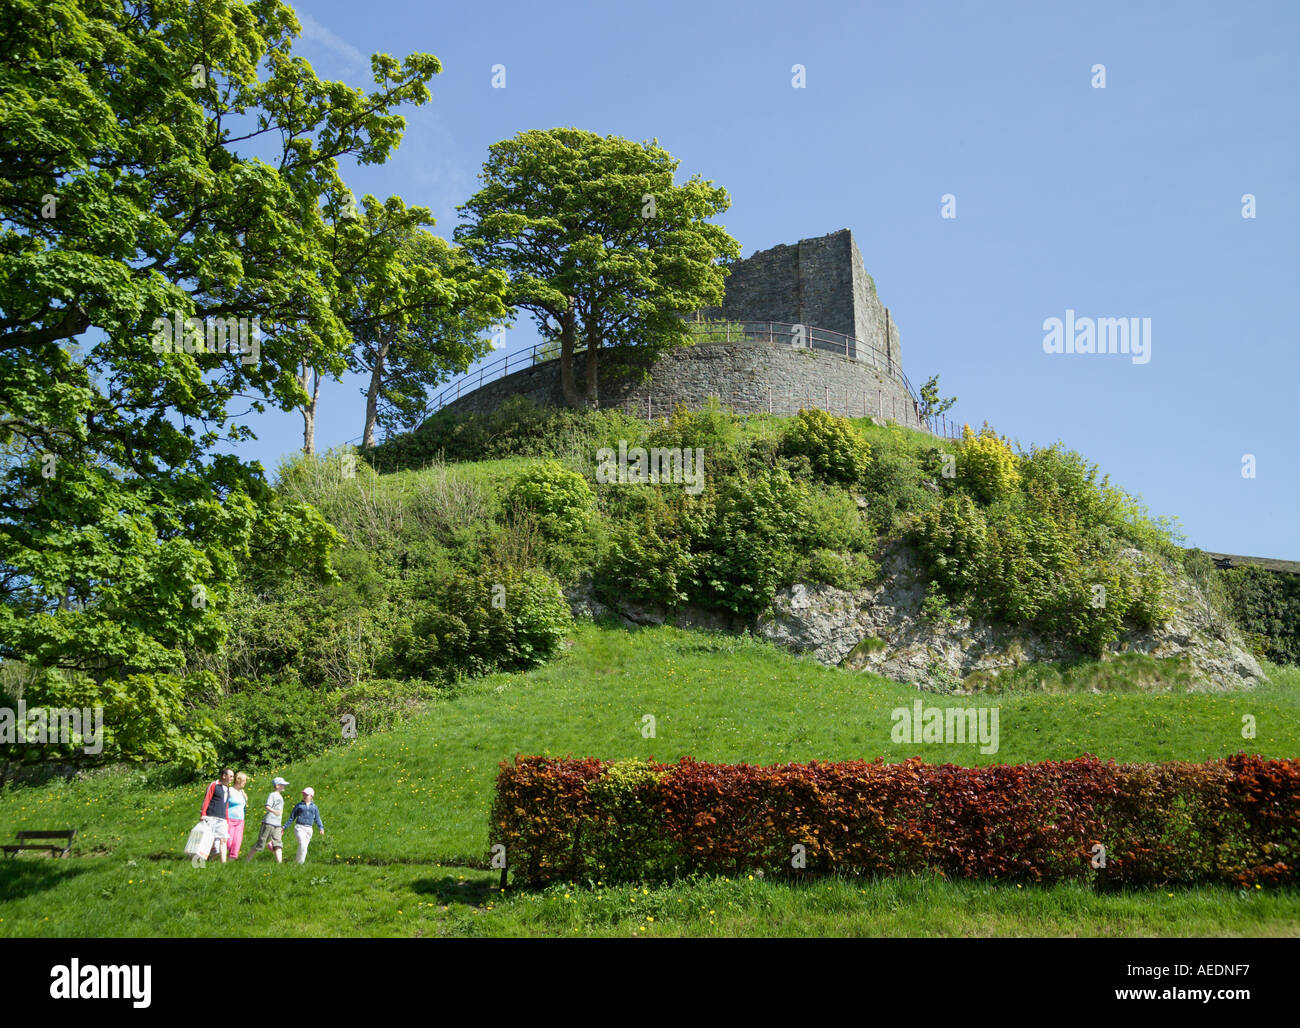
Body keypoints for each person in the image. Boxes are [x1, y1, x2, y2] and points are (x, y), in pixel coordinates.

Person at [246, 776, 290, 864]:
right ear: (277, 786)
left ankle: (279, 863)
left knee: (278, 843)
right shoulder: (272, 795)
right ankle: (247, 861)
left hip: (277, 824)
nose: (284, 786)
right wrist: (274, 811)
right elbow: (267, 806)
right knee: (261, 842)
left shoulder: (280, 797)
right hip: (268, 822)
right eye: (282, 785)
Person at [198, 768, 234, 864]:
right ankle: (203, 859)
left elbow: (226, 805)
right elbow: (207, 799)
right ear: (224, 776)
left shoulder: (228, 789)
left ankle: (223, 864)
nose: (232, 778)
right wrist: (203, 814)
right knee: (208, 841)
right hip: (211, 817)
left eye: (233, 776)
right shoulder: (214, 785)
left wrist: (227, 819)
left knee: (223, 840)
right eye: (230, 776)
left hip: (222, 819)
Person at [284, 786, 325, 865]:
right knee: (302, 844)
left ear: (311, 796)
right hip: (299, 827)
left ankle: (298, 863)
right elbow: (292, 817)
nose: (304, 796)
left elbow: (317, 818)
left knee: (304, 847)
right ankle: (299, 863)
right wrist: (285, 827)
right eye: (303, 794)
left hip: (309, 829)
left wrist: (321, 828)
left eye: (306, 795)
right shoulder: (299, 805)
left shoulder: (314, 807)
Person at [226, 772, 249, 859]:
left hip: (240, 821)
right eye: (244, 780)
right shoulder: (229, 790)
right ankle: (216, 853)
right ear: (238, 780)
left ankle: (230, 863)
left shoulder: (242, 792)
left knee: (237, 843)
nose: (245, 782)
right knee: (228, 843)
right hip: (230, 820)